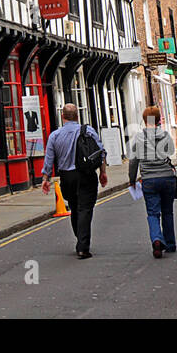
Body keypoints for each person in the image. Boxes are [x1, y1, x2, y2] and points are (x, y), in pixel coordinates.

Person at [40, 103, 107, 259]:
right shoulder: (88, 131)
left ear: (62, 117)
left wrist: (45, 179)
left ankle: (80, 240)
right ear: (78, 116)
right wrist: (102, 172)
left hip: (67, 177)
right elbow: (101, 152)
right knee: (85, 209)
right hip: (86, 175)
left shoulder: (55, 136)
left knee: (75, 208)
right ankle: (82, 246)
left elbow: (49, 160)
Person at [129, 105, 177, 258]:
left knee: (153, 213)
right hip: (167, 177)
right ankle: (170, 244)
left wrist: (131, 180)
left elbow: (133, 161)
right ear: (158, 120)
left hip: (149, 179)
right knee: (167, 212)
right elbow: (171, 151)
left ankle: (156, 239)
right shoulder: (165, 134)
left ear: (145, 120)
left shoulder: (138, 137)